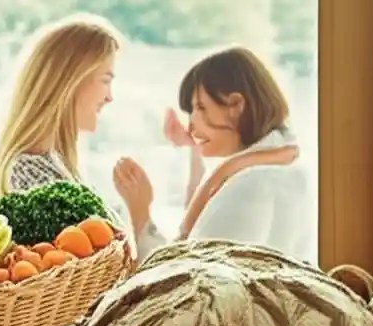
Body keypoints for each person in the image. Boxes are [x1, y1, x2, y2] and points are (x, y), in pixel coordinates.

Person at [113, 47, 311, 263]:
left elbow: (180, 282)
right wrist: (194, 151)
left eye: (200, 107)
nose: (191, 125)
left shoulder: (247, 185)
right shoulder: (285, 165)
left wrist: (140, 213)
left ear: (236, 105)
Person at [0, 13, 122, 197]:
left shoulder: (54, 167)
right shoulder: (30, 173)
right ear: (69, 82)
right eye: (106, 80)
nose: (109, 97)